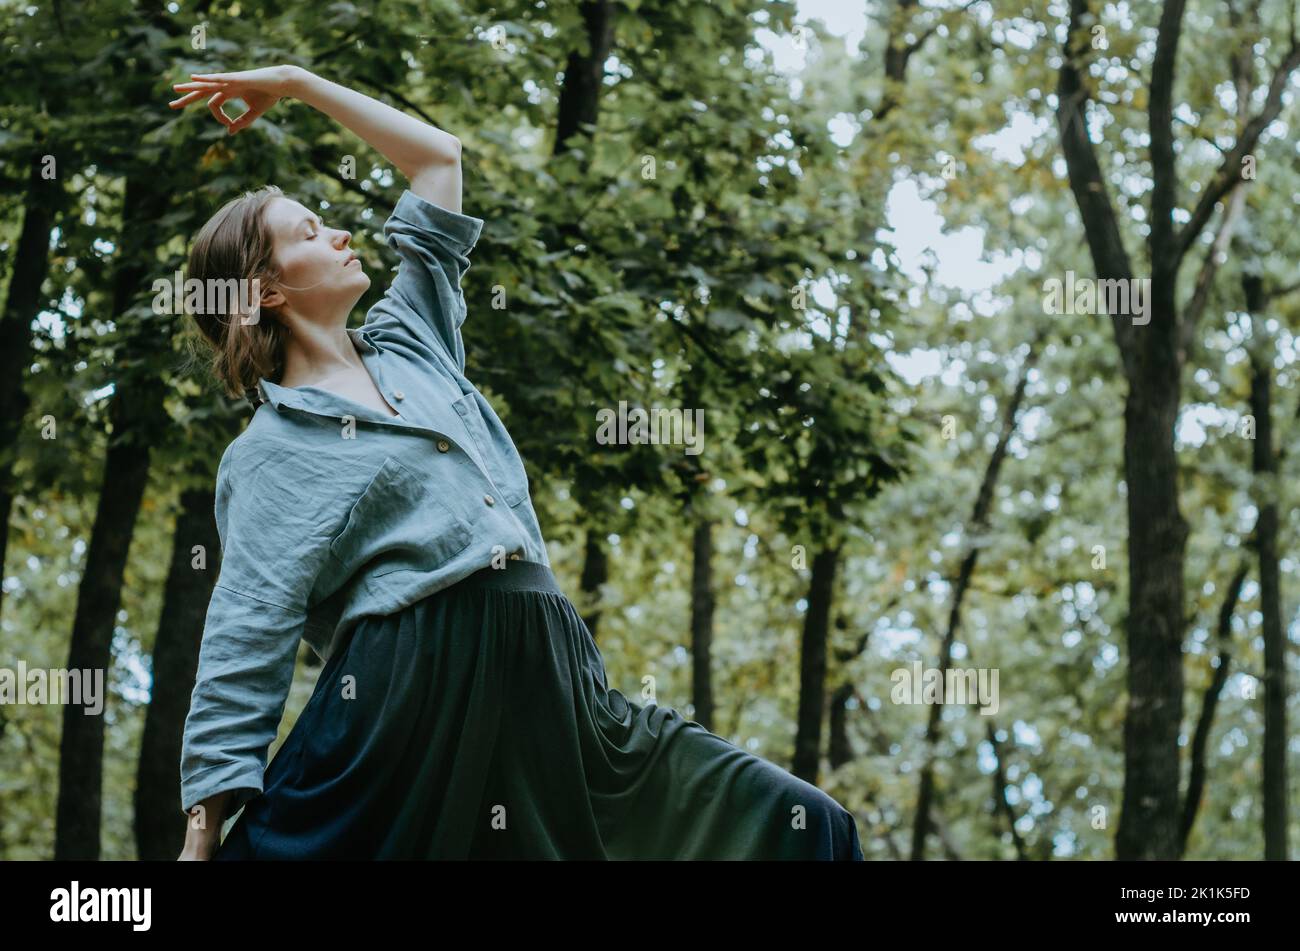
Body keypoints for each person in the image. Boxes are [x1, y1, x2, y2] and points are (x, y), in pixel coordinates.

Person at [169, 65, 864, 861]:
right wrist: (200, 835)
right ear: (268, 292)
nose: (339, 234)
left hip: (551, 670)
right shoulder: (270, 451)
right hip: (406, 703)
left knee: (800, 823)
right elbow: (245, 635)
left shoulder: (414, 340)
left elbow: (437, 161)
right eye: (309, 234)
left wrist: (296, 84)